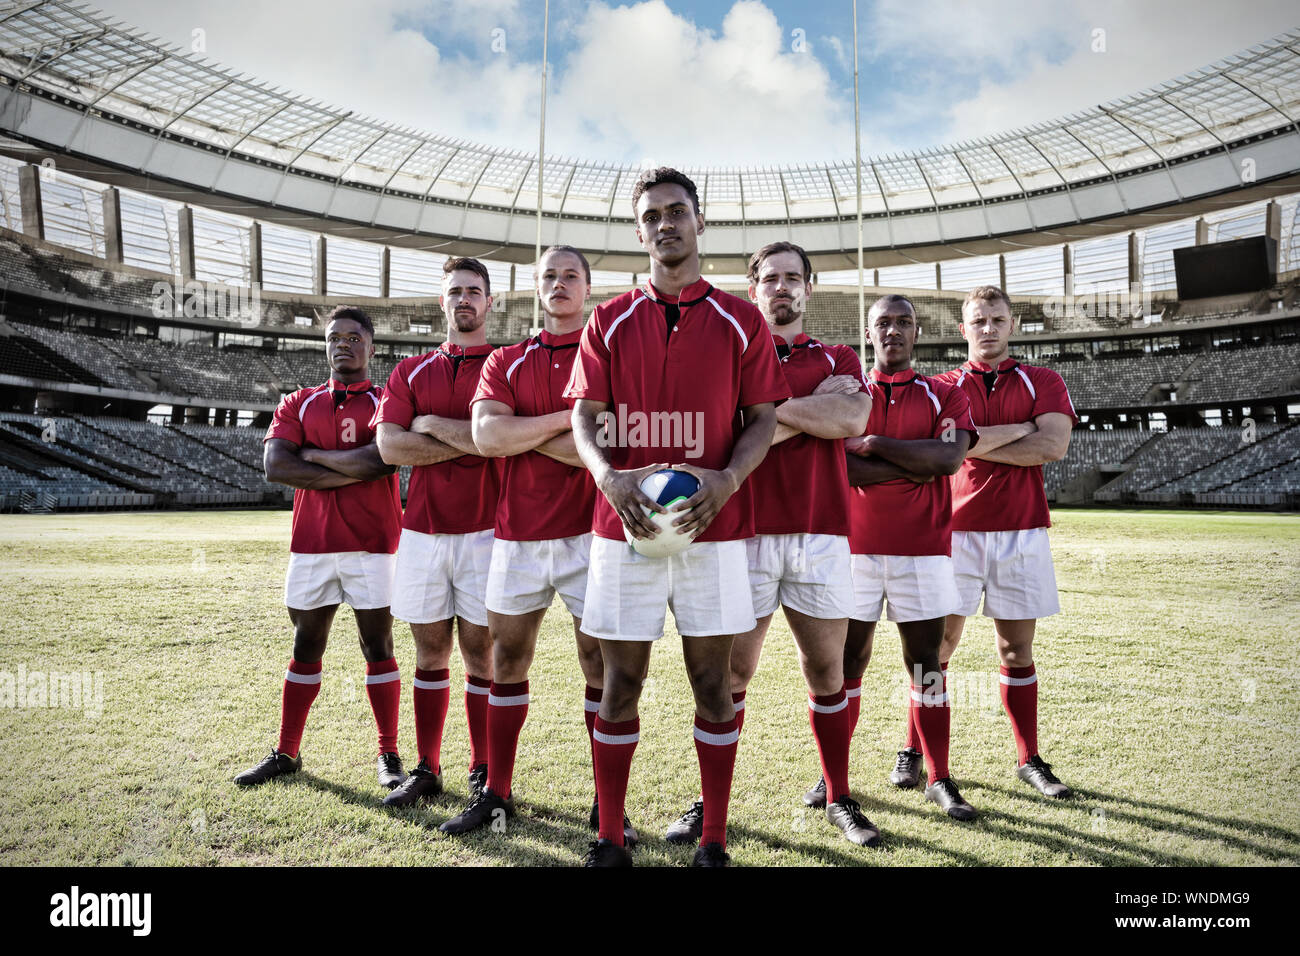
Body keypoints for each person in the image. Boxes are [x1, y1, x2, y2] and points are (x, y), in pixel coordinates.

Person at [566, 167, 790, 867]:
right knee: (619, 682)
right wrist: (607, 476)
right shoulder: (608, 318)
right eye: (653, 215)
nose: (666, 223)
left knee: (713, 684)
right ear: (640, 231)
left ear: (700, 223)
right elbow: (583, 414)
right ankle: (608, 838)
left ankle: (715, 840)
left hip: (713, 529)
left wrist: (727, 479)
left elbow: (762, 418)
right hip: (624, 531)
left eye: (677, 211)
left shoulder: (740, 318)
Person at [663, 240, 879, 847]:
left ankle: (838, 795)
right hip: (744, 533)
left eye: (793, 279)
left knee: (826, 668)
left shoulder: (838, 353)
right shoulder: (733, 351)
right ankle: (710, 806)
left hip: (821, 532)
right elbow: (724, 432)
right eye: (770, 279)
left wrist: (766, 418)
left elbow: (852, 421)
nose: (781, 288)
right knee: (731, 672)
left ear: (809, 289)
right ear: (752, 288)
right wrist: (807, 411)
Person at [438, 245, 635, 844]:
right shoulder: (506, 358)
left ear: (587, 287)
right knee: (506, 661)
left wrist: (529, 431)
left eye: (570, 275)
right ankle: (496, 791)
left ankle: (608, 806)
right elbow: (487, 436)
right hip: (518, 535)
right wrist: (567, 422)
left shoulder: (609, 356)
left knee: (598, 664)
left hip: (593, 533)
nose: (558, 284)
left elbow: (612, 445)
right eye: (548, 276)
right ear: (535, 287)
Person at [235, 306, 404, 791]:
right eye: (335, 337)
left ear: (371, 348)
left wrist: (314, 457)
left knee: (378, 647)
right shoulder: (298, 402)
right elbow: (276, 467)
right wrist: (347, 468)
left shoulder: (385, 400)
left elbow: (381, 461)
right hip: (311, 546)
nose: (344, 344)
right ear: (325, 345)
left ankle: (388, 753)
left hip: (374, 545)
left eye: (355, 337)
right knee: (305, 645)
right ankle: (287, 753)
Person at [840, 294, 980, 821]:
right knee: (846, 664)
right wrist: (910, 461)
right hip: (853, 550)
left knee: (925, 667)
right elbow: (842, 473)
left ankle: (940, 777)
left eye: (904, 323)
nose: (893, 331)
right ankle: (837, 777)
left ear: (917, 333)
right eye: (884, 324)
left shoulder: (946, 391)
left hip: (922, 550)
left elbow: (947, 459)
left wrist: (875, 443)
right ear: (869, 334)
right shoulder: (850, 395)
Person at [933, 285, 1076, 799]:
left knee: (1016, 650)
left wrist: (975, 441)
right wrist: (1019, 430)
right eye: (979, 320)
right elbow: (946, 450)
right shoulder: (943, 386)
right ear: (962, 328)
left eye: (997, 319)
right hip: (952, 534)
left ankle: (1028, 758)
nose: (988, 328)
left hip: (1022, 532)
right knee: (936, 649)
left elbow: (1053, 445)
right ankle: (918, 752)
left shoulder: (1043, 380)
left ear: (1011, 324)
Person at [373, 258, 500, 808]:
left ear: (490, 302)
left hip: (489, 530)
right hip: (422, 531)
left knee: (480, 652)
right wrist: (474, 440)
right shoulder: (410, 372)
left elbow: (503, 441)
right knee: (429, 651)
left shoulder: (508, 365)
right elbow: (390, 448)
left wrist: (432, 428)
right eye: (456, 292)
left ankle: (483, 767)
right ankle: (427, 766)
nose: (465, 300)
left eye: (475, 291)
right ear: (441, 302)